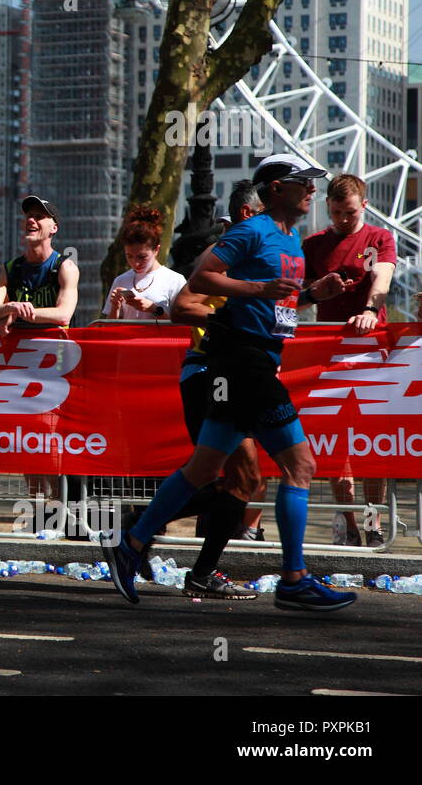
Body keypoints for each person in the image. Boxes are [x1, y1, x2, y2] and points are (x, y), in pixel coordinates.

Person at [102, 154, 357, 612]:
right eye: (306, 183)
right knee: (300, 465)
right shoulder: (251, 230)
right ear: (277, 188)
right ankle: (294, 580)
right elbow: (200, 279)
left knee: (204, 470)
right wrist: (260, 291)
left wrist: (312, 295)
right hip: (244, 362)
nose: (313, 191)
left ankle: (132, 542)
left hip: (252, 358)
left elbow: (275, 306)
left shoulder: (291, 239)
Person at [152, 181, 267, 599]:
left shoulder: (260, 255)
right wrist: (229, 322)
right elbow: (181, 306)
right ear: (250, 214)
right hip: (208, 373)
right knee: (243, 474)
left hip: (237, 374)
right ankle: (143, 538)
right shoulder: (227, 253)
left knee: (234, 478)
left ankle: (138, 533)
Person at [302, 173, 397, 547]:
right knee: (336, 444)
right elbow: (297, 295)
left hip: (372, 351)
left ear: (366, 206)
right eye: (338, 211)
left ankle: (373, 525)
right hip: (331, 352)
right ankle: (348, 524)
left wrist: (372, 308)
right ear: (328, 206)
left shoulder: (379, 238)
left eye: (351, 212)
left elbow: (383, 275)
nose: (344, 218)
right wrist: (314, 293)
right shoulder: (312, 245)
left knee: (373, 444)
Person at [0, 196, 79, 509]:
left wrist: (23, 312)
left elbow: (64, 314)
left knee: (52, 441)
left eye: (40, 217)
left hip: (56, 369)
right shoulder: (8, 268)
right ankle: (38, 505)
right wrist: (8, 307)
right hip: (19, 368)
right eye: (28, 216)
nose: (31, 221)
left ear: (54, 227)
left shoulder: (64, 266)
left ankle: (61, 506)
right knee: (27, 443)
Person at [104, 206, 187, 320]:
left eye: (142, 257)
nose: (135, 263)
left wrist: (153, 309)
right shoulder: (121, 280)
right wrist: (115, 307)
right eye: (129, 256)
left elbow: (182, 326)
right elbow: (110, 328)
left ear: (156, 250)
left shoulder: (175, 281)